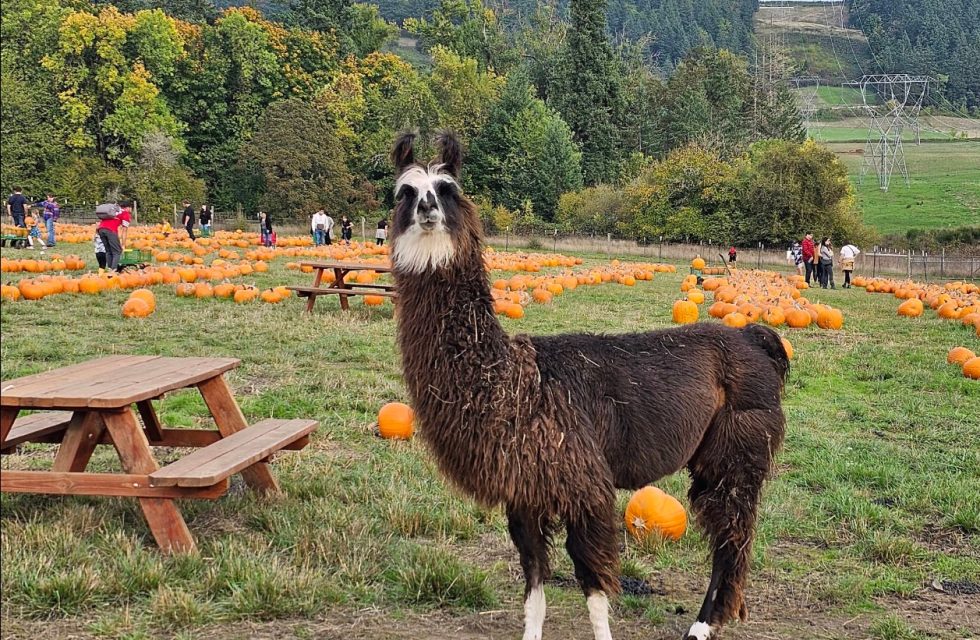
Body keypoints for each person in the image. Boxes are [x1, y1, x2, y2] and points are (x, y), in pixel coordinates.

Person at [98, 201, 132, 271]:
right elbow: (124, 230)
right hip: (110, 230)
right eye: (131, 208)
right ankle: (114, 270)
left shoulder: (113, 210)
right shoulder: (125, 213)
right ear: (128, 208)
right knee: (117, 251)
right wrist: (123, 245)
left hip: (101, 229)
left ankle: (110, 268)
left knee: (108, 250)